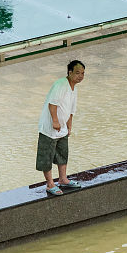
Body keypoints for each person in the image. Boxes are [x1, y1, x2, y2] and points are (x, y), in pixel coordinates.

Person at [36, 59, 86, 197]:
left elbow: (71, 110)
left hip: (62, 128)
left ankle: (63, 179)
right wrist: (55, 122)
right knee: (46, 156)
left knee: (62, 154)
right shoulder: (60, 85)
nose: (80, 76)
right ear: (69, 72)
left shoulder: (74, 88)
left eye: (82, 73)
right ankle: (50, 184)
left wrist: (69, 126)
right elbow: (52, 105)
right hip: (50, 128)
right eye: (77, 73)